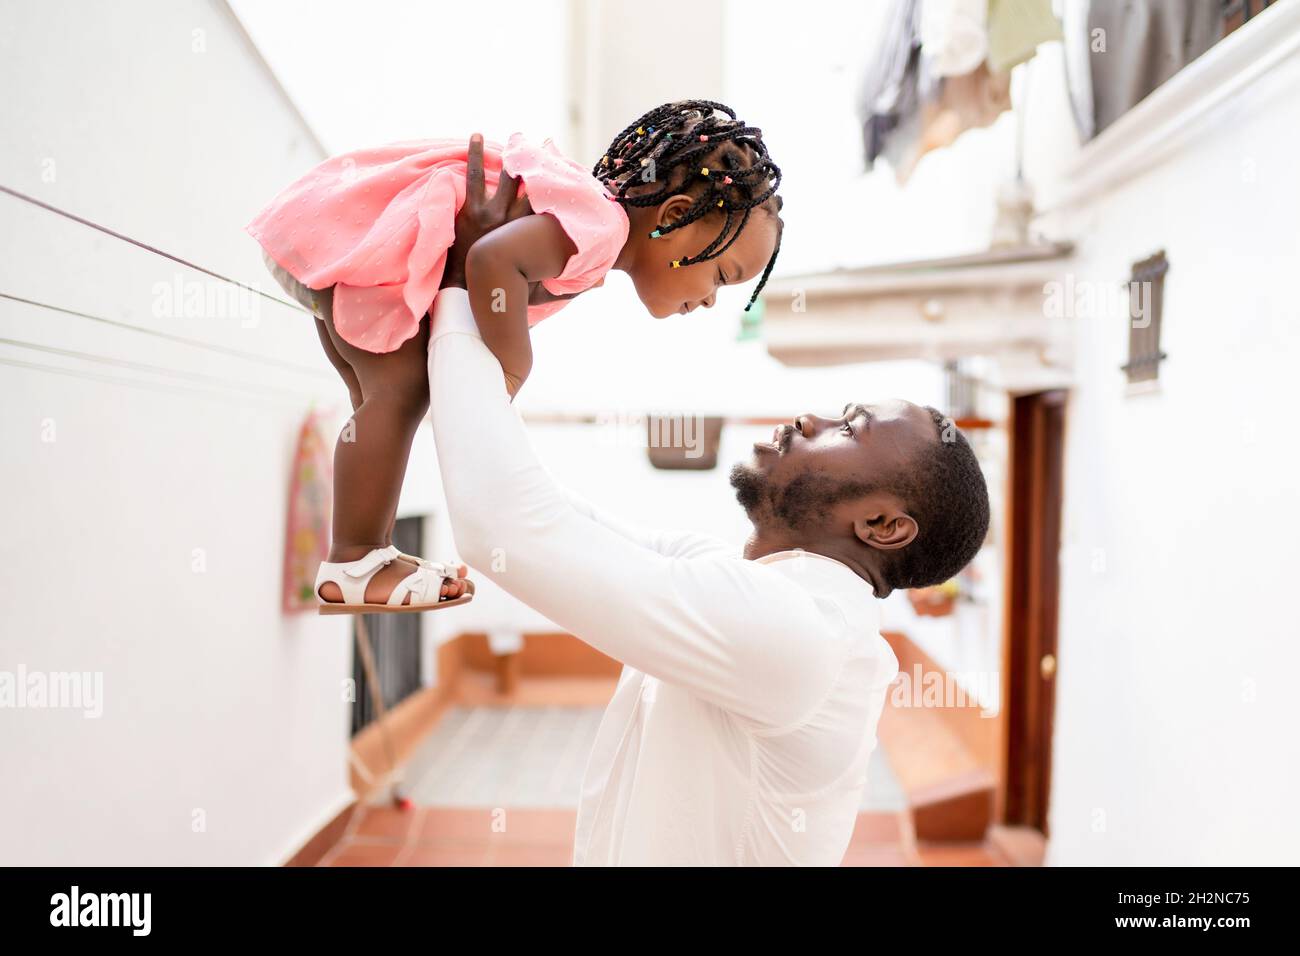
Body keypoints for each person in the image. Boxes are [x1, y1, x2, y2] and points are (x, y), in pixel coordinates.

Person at [421, 142, 991, 867]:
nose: (810, 421)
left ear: (882, 525)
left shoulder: (795, 632)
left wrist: (466, 284)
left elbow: (507, 523)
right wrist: (492, 290)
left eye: (849, 429)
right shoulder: (763, 594)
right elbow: (541, 514)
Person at [247, 101, 783, 612]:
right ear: (676, 215)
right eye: (721, 275)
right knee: (399, 396)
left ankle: (367, 552)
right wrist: (510, 367)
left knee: (383, 407)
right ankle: (355, 560)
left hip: (343, 238)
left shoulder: (586, 216)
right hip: (364, 246)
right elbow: (492, 257)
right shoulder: (600, 230)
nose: (711, 298)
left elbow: (491, 262)